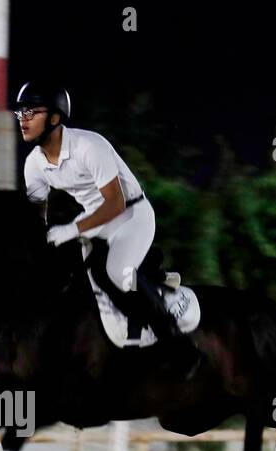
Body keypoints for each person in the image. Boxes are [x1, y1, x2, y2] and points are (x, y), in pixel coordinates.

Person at [14, 82, 199, 370]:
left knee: (114, 272)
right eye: (20, 113)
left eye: (30, 111)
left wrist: (71, 230)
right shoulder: (33, 165)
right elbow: (37, 219)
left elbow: (115, 204)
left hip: (131, 215)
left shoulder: (89, 145)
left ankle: (176, 343)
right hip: (96, 220)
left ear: (54, 118)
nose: (23, 118)